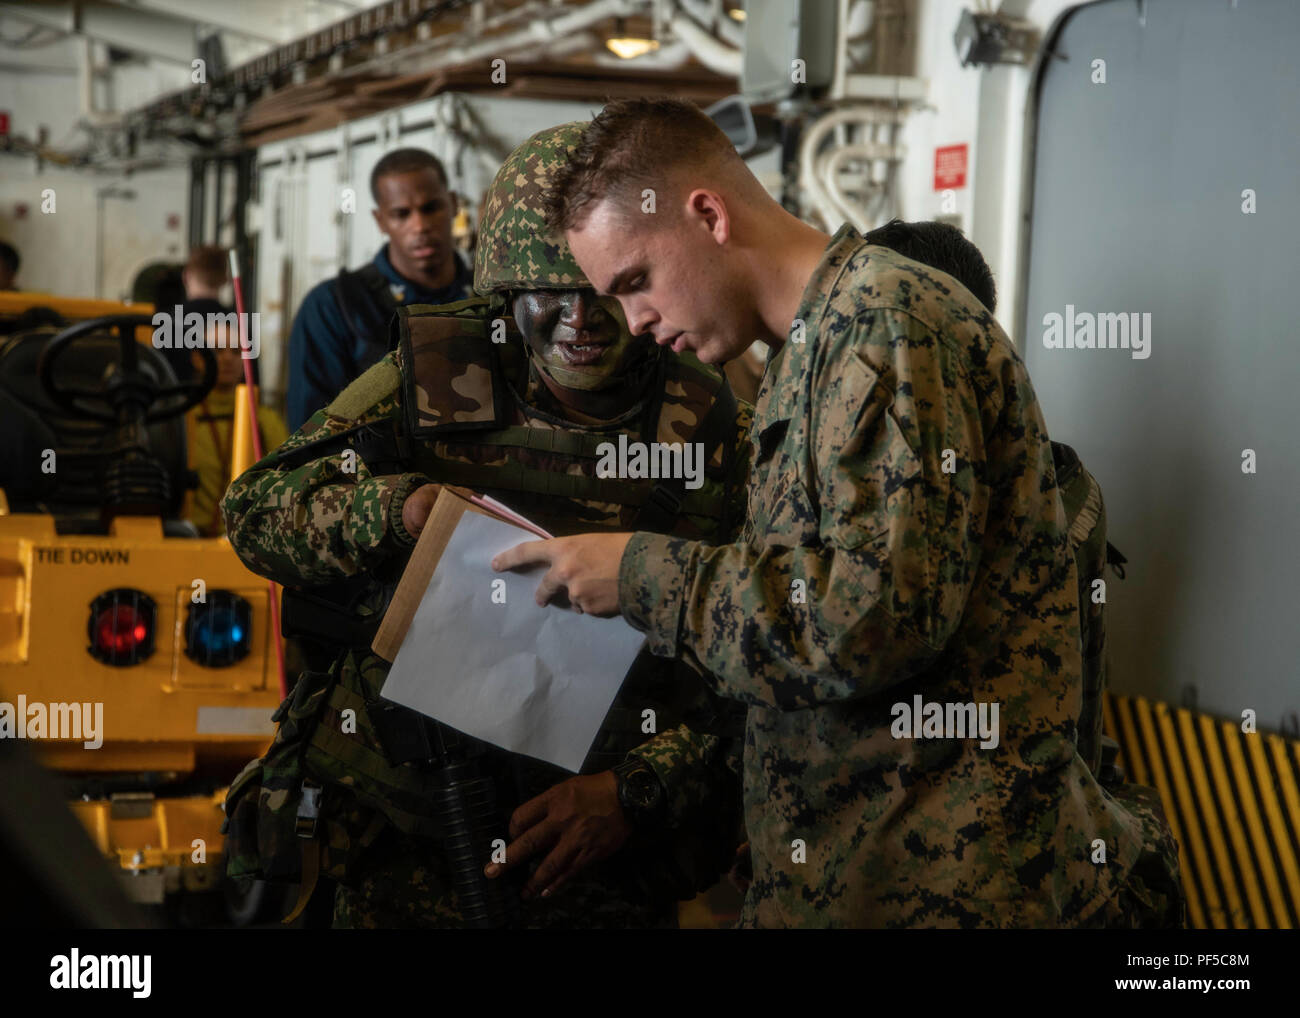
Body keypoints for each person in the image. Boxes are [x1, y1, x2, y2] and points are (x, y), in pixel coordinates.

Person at [491, 98, 1183, 928]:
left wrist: (639, 573)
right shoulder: (808, 354)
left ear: (706, 213)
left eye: (635, 281)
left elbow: (874, 619)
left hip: (949, 890)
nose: (634, 322)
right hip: (858, 876)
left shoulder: (886, 324)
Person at [222, 123, 750, 929]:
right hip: (408, 824)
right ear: (505, 291)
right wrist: (393, 509)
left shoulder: (703, 416)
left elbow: (766, 654)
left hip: (599, 845)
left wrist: (637, 790)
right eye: (550, 293)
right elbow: (255, 512)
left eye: (606, 289)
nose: (581, 320)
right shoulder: (441, 371)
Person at [285, 148, 472, 430]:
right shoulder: (333, 307)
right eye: (401, 214)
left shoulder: (490, 296)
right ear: (380, 220)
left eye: (431, 208)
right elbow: (309, 439)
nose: (420, 226)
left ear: (454, 204)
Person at [185, 319, 287, 537]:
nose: (227, 358)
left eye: (236, 350)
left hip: (248, 542)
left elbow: (286, 483)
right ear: (196, 357)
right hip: (189, 538)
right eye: (218, 350)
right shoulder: (183, 418)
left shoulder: (264, 421)